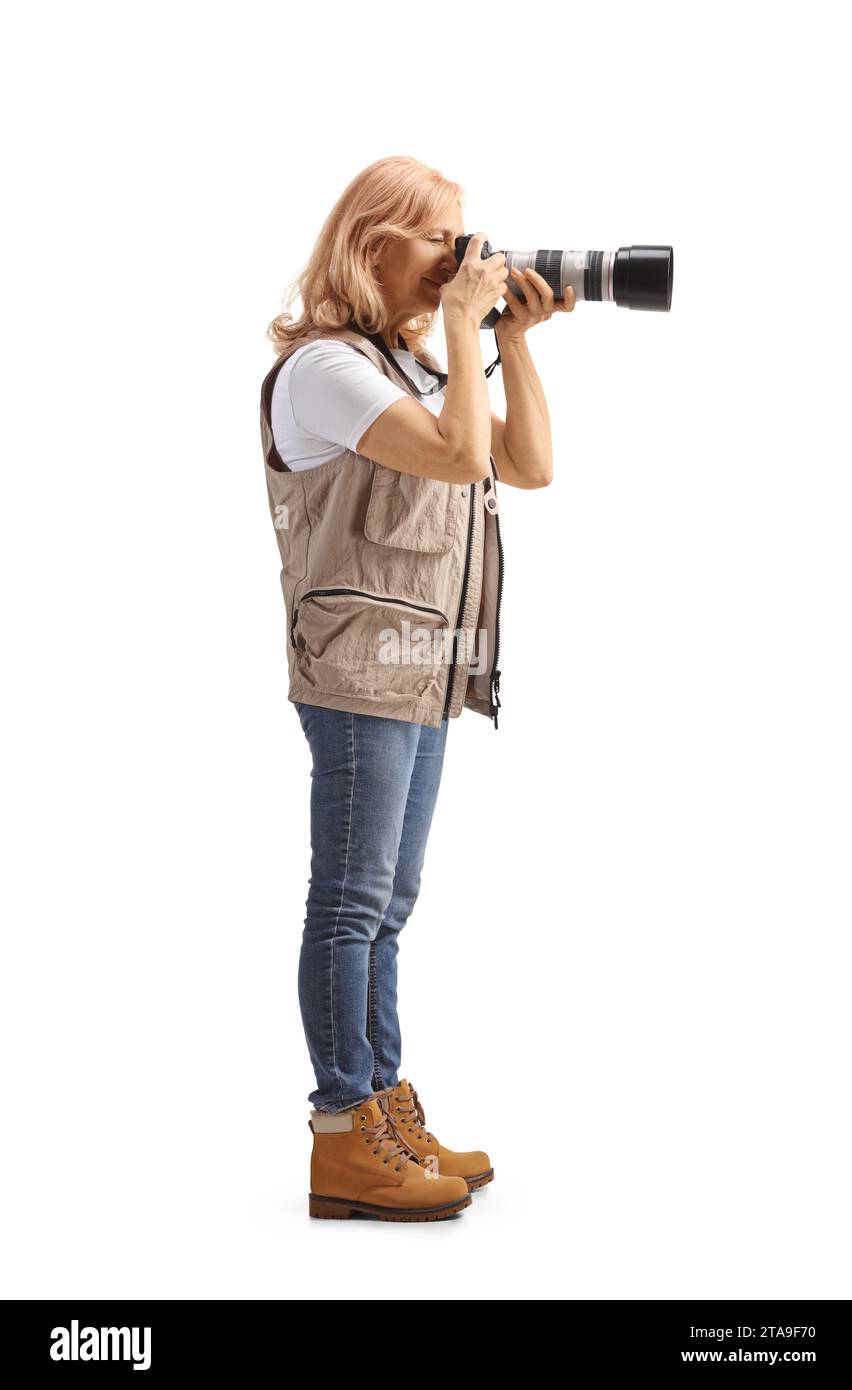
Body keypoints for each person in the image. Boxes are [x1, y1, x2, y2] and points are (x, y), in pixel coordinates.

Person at [260, 156, 575, 1222]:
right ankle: (343, 1134)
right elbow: (453, 458)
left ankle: (383, 1106)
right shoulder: (326, 369)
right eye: (439, 236)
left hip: (424, 666)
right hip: (357, 669)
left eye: (462, 235)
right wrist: (458, 326)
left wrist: (509, 341)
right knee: (348, 904)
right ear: (373, 242)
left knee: (387, 905)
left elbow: (519, 466)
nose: (462, 255)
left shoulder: (412, 368)